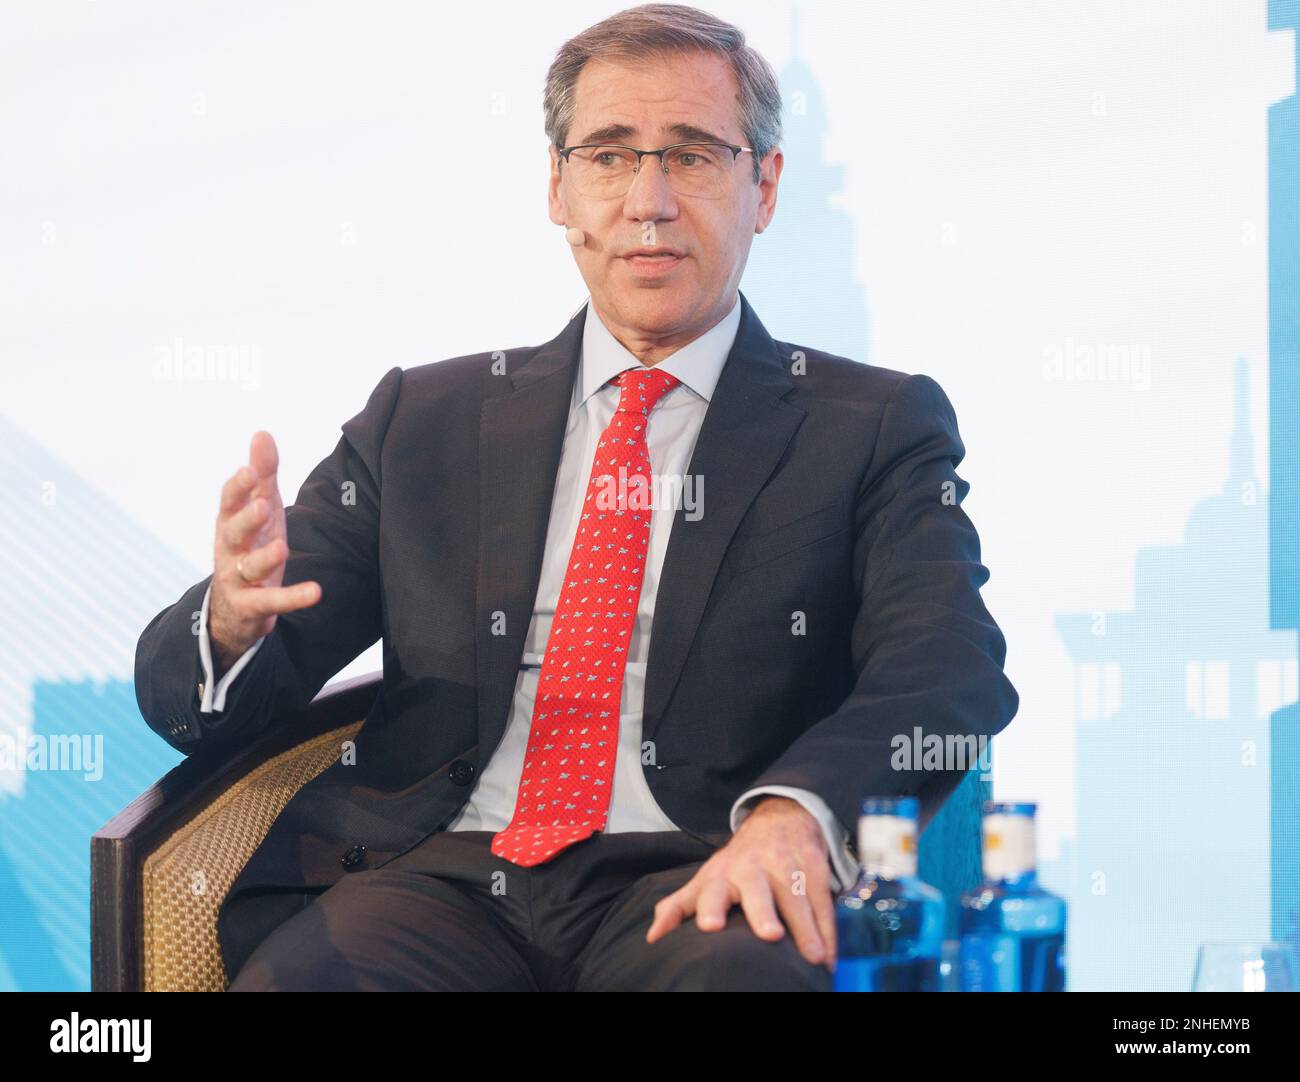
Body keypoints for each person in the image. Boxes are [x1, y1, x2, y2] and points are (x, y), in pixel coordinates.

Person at [135, 2, 1018, 991]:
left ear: (762, 185)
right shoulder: (421, 419)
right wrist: (229, 622)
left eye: (691, 155)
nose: (648, 201)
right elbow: (227, 682)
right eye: (607, 155)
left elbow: (946, 661)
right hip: (434, 876)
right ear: (558, 187)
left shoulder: (869, 425)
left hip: (699, 870)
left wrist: (794, 816)